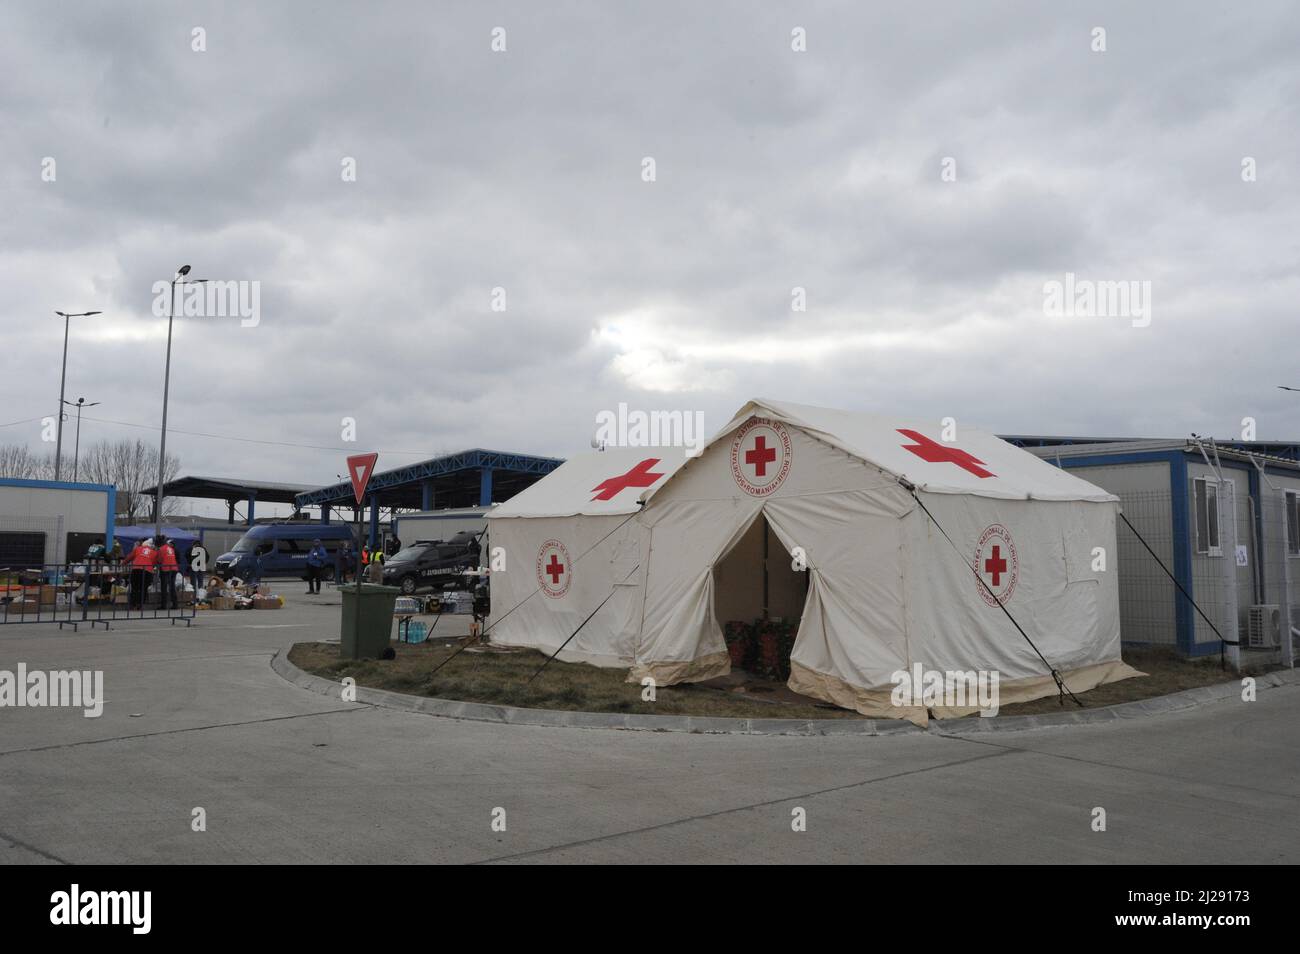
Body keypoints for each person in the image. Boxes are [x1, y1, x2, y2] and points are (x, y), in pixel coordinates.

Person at [127, 537, 158, 610]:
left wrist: (122, 564)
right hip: (147, 571)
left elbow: (129, 557)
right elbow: (154, 563)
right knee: (143, 588)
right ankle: (140, 605)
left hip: (136, 569)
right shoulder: (154, 552)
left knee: (134, 588)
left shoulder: (138, 548)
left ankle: (132, 604)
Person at [158, 536, 180, 610]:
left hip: (166, 569)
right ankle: (175, 604)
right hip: (174, 568)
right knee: (172, 587)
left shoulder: (161, 549)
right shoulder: (170, 548)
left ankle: (164, 605)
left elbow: (159, 560)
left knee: (164, 587)